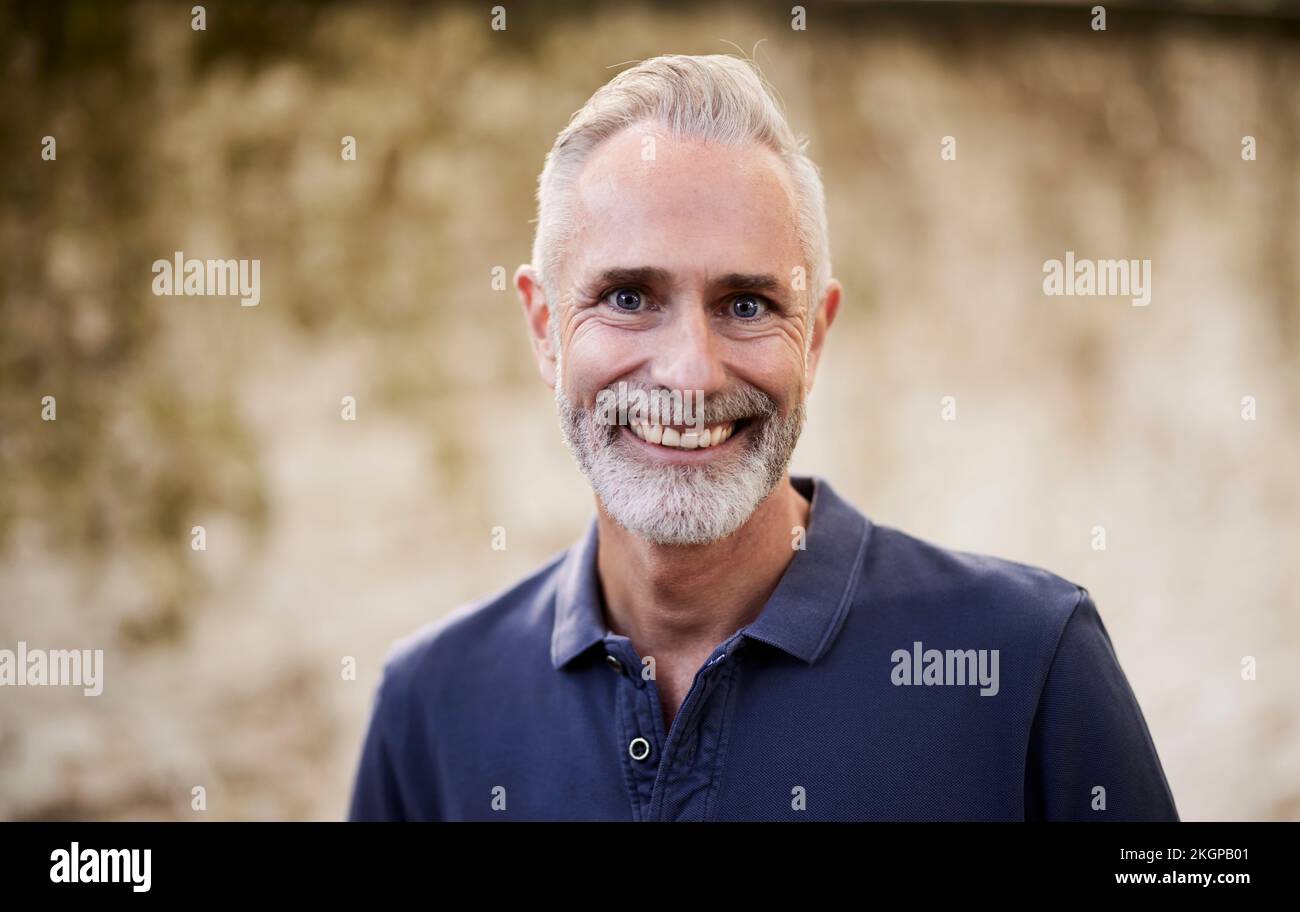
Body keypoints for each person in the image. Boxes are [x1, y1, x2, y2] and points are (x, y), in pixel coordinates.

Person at [348, 54, 1178, 821]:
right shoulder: (431, 705)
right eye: (629, 297)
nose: (691, 374)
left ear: (814, 337)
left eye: (747, 305)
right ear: (543, 327)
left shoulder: (1028, 663)